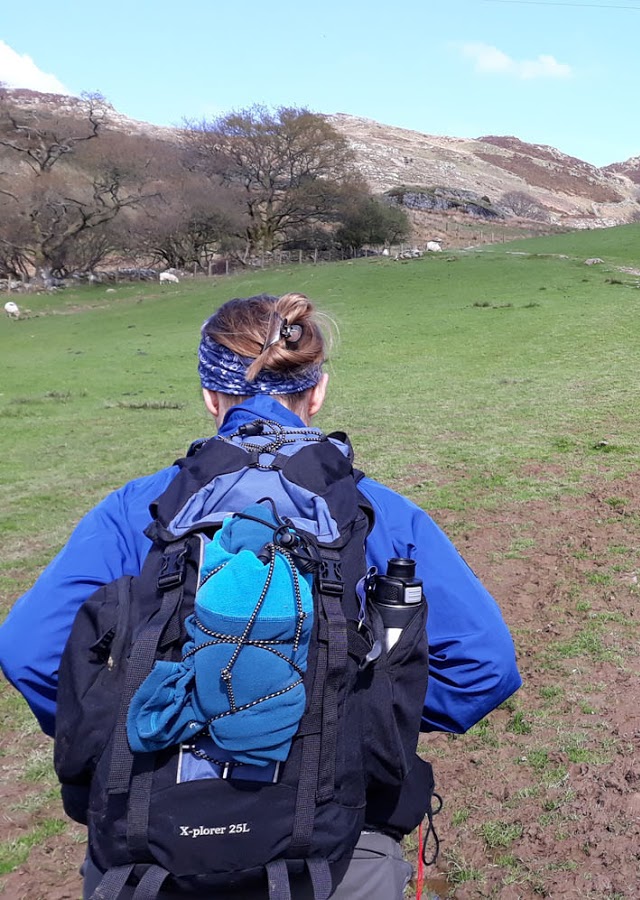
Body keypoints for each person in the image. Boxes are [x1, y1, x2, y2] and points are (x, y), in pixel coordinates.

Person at [0, 292, 523, 899]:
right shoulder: (378, 513)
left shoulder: (133, 512)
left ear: (209, 397)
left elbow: (29, 652)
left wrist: (119, 733)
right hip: (337, 854)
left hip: (147, 854)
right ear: (318, 390)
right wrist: (349, 711)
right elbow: (483, 669)